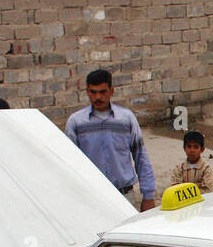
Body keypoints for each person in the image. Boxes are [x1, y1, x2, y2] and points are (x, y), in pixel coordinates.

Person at [65, 69, 156, 211]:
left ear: (111, 91)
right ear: (87, 91)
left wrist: (148, 196)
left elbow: (141, 156)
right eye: (93, 92)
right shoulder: (76, 122)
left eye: (102, 92)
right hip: (90, 197)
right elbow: (69, 162)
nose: (97, 97)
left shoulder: (127, 119)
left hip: (124, 196)